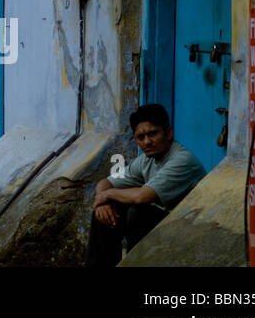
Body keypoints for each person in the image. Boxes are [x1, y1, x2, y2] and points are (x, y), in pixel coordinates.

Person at [86, 103, 207, 266]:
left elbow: (142, 197)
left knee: (138, 213)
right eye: (140, 137)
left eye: (152, 134)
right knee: (104, 213)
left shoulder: (182, 160)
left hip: (192, 228)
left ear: (169, 133)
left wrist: (104, 195)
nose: (147, 142)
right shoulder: (144, 160)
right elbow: (106, 182)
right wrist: (103, 203)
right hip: (165, 224)